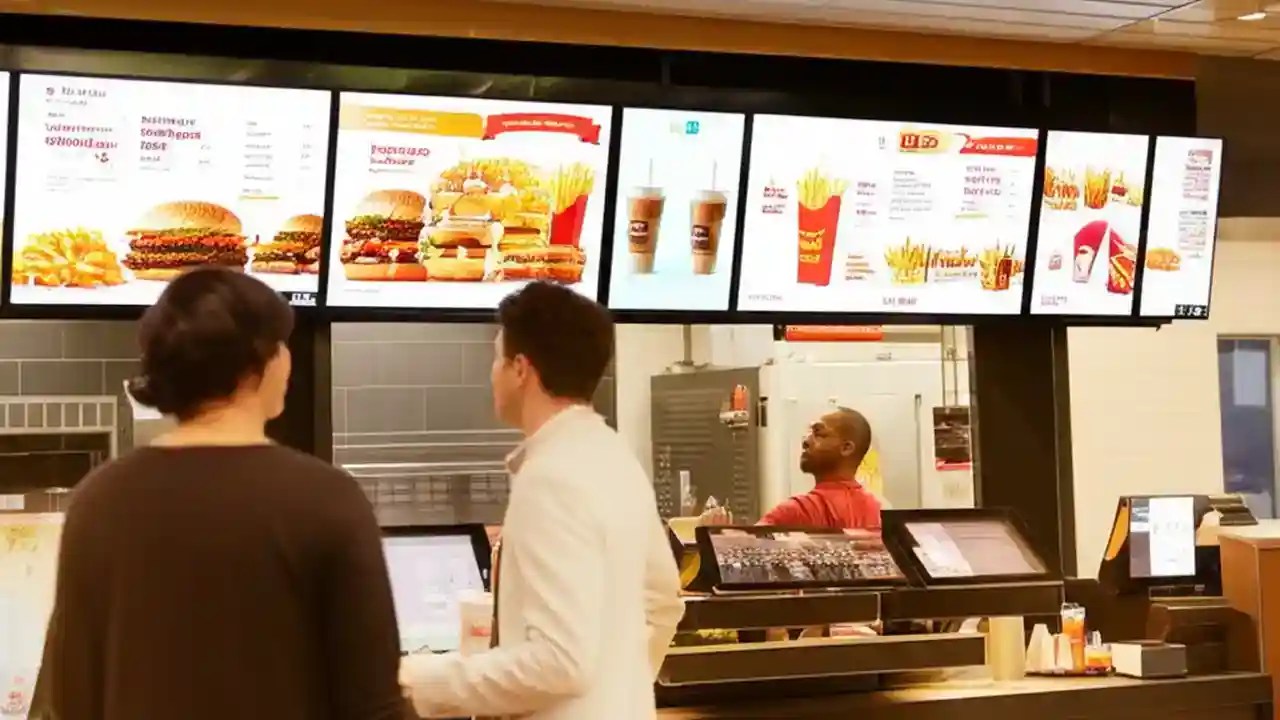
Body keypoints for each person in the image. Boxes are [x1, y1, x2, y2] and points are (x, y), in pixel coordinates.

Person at [31, 268, 406, 720]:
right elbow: (374, 703)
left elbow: (72, 696)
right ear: (262, 361)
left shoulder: (98, 500)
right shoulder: (327, 500)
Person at [401, 281, 685, 719]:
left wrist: (418, 680)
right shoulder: (615, 456)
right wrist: (614, 695)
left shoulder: (550, 476)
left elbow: (559, 663)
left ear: (520, 369)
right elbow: (664, 602)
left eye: (496, 359)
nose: (491, 373)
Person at [703, 407, 882, 530]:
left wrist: (713, 534)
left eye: (819, 433)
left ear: (846, 448)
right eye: (809, 433)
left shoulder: (796, 513)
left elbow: (737, 560)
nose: (805, 441)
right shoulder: (875, 510)